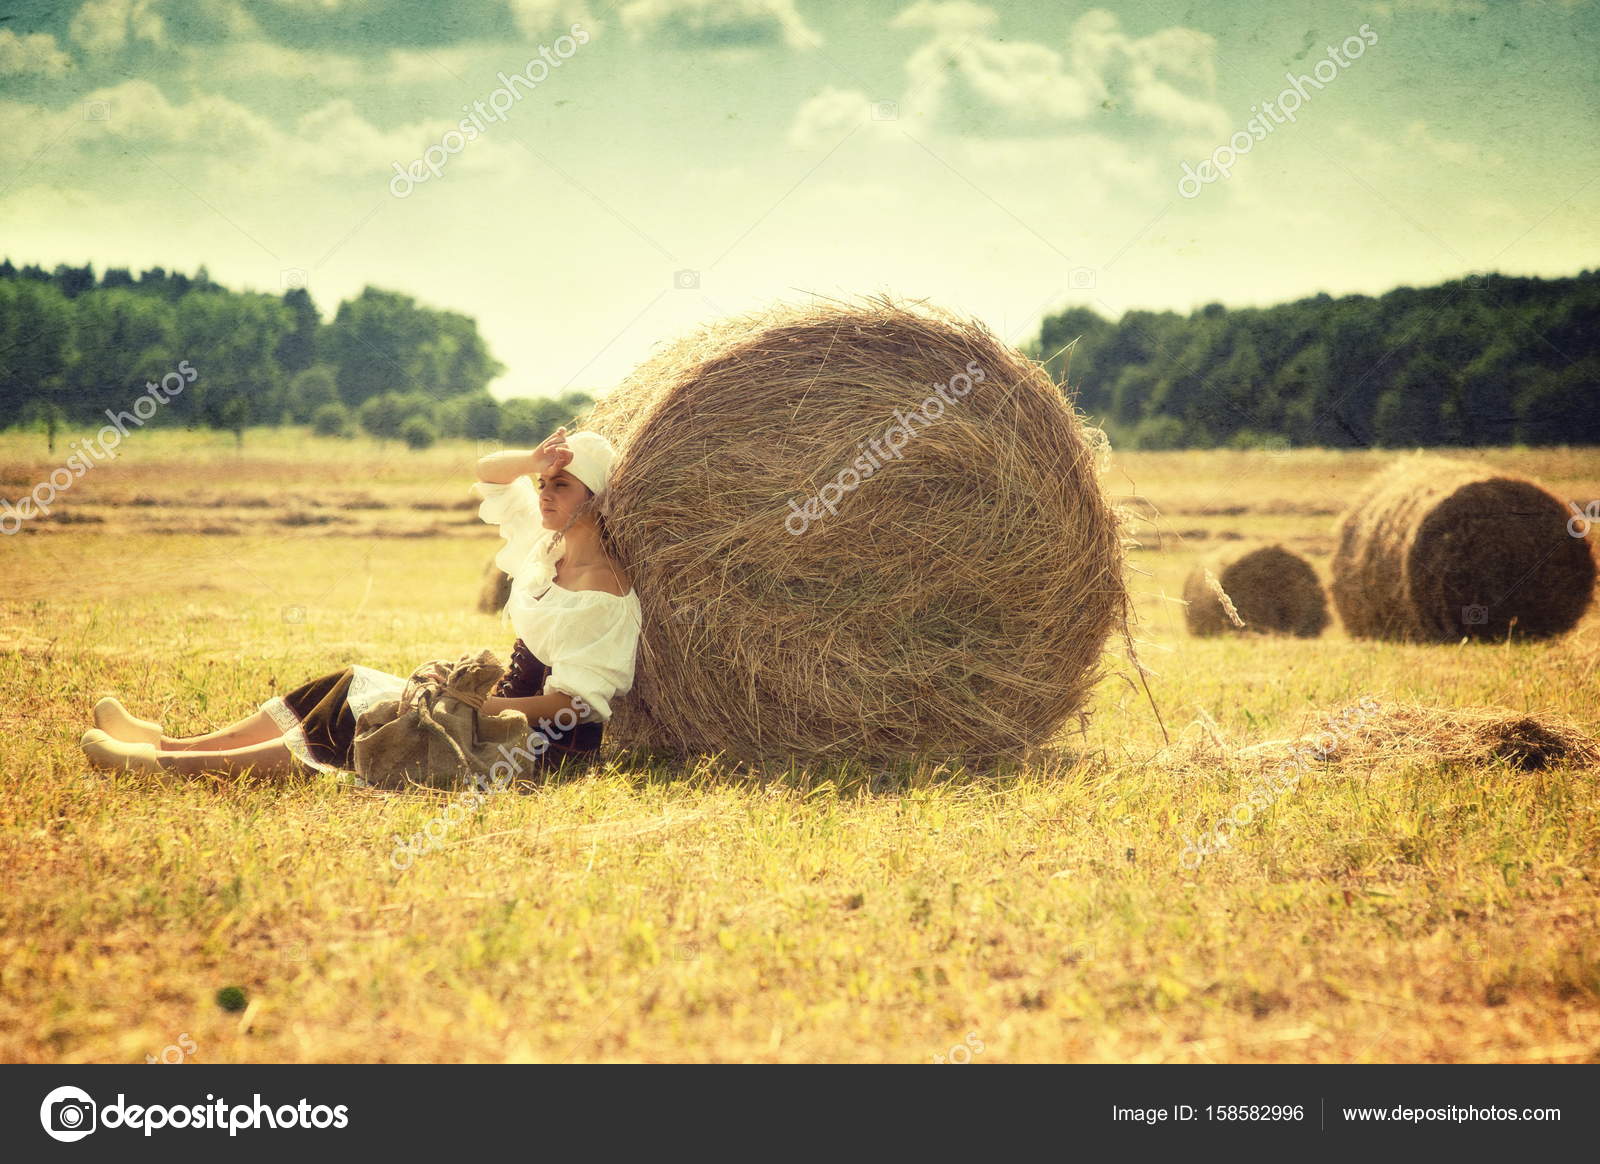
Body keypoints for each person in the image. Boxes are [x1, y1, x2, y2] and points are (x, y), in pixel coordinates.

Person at [80, 427, 643, 784]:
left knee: (377, 717)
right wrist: (534, 458)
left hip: (537, 748)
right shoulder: (547, 551)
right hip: (496, 712)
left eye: (561, 485)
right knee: (352, 680)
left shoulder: (603, 594)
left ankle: (167, 767)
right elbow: (487, 473)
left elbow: (575, 708)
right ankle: (166, 742)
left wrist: (469, 709)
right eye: (543, 482)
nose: (543, 492)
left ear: (595, 500)